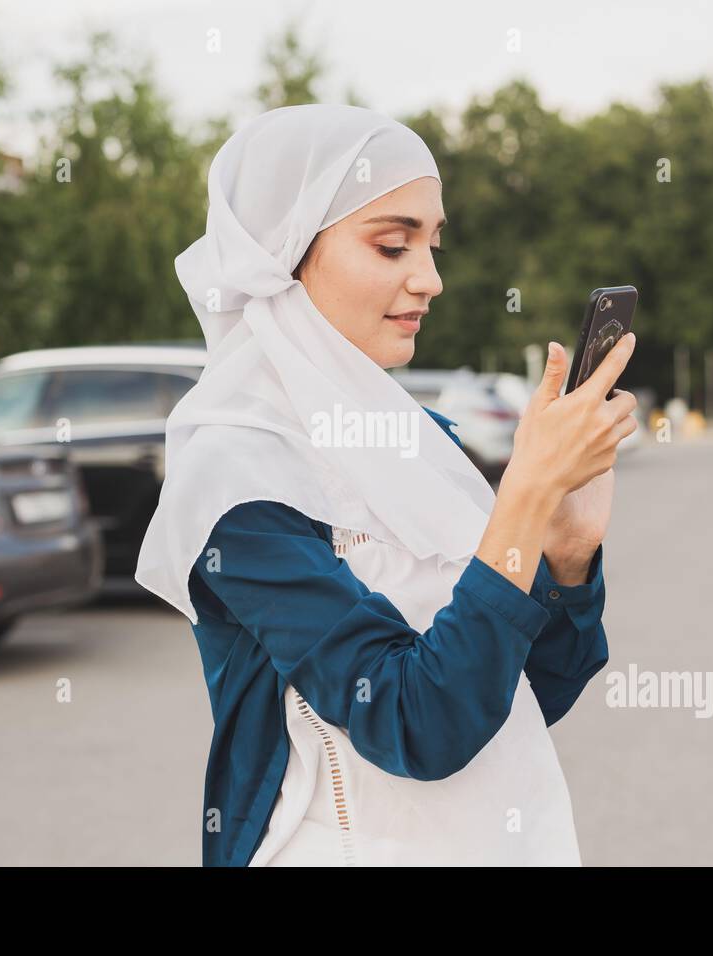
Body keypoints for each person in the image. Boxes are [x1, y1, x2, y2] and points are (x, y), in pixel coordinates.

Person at [135, 103, 638, 867]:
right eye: (393, 244)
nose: (431, 278)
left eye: (433, 244)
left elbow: (524, 691)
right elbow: (416, 725)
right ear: (286, 255)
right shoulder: (236, 481)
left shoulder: (416, 440)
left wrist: (567, 549)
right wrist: (524, 498)